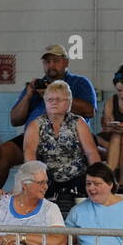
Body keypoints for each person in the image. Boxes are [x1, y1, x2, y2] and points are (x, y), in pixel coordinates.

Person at [0, 44, 97, 187]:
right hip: (34, 136)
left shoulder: (79, 83)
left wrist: (56, 95)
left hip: (71, 138)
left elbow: (90, 111)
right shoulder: (37, 85)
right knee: (4, 150)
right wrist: (29, 95)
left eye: (56, 61)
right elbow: (15, 120)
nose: (51, 65)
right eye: (47, 62)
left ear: (66, 62)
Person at [25, 80, 102, 218]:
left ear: (68, 103)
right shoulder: (35, 125)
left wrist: (97, 178)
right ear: (45, 102)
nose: (54, 102)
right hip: (47, 177)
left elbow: (91, 153)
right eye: (50, 100)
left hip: (77, 177)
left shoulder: (78, 122)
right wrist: (35, 177)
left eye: (59, 99)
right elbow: (29, 153)